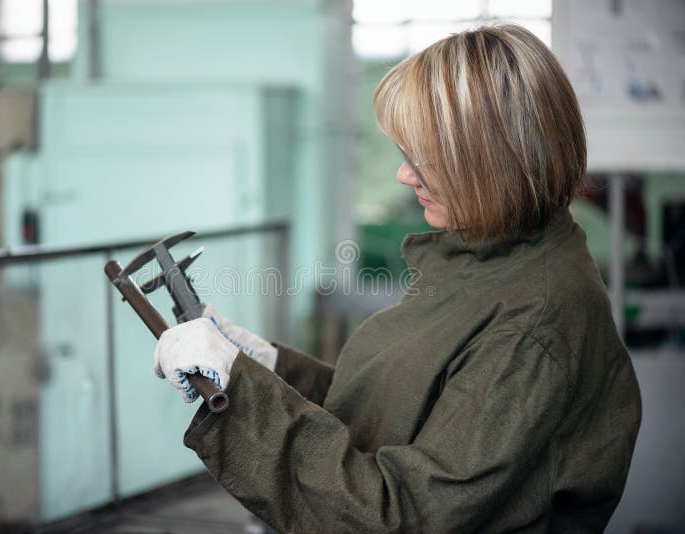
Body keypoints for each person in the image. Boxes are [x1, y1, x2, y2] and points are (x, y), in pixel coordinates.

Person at [153, 24, 642, 533]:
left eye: (424, 159)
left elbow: (400, 517)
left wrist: (247, 401)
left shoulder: (533, 324)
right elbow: (387, 415)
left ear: (491, 164)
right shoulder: (488, 261)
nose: (405, 176)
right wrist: (267, 368)